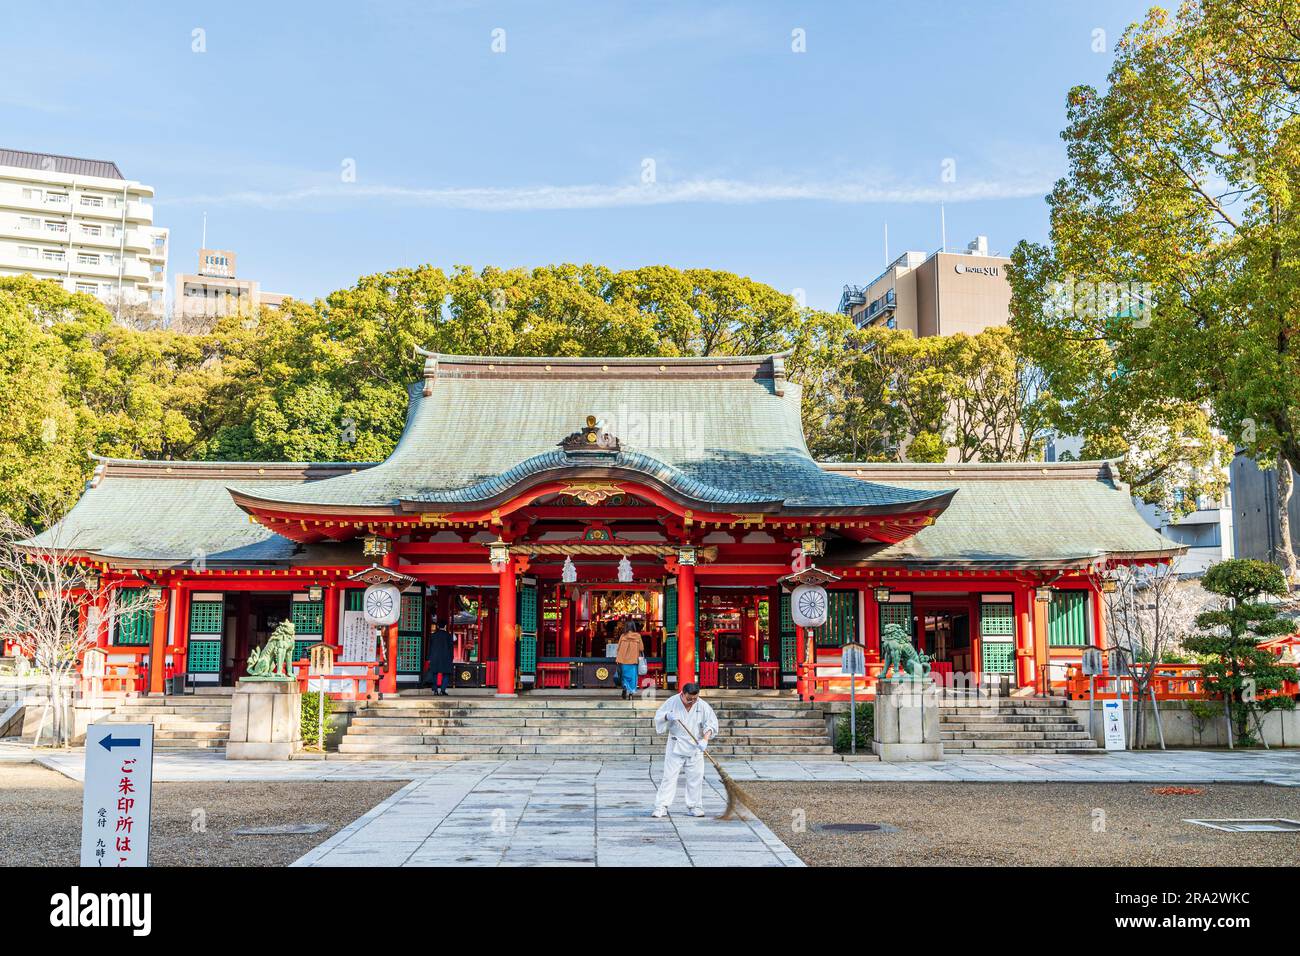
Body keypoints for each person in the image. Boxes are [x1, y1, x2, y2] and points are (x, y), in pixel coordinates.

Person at [651, 682, 718, 818]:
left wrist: (705, 739)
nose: (692, 702)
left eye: (695, 699)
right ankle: (661, 806)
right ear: (682, 694)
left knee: (696, 777)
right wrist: (667, 716)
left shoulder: (702, 705)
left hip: (695, 745)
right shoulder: (672, 702)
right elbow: (658, 716)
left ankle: (695, 806)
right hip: (676, 744)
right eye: (689, 699)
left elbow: (711, 723)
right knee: (669, 777)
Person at [614, 620, 644, 699]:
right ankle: (631, 693)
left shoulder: (623, 636)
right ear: (633, 626)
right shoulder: (637, 636)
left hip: (623, 660)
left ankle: (625, 687)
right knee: (633, 677)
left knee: (624, 676)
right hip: (633, 661)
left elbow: (618, 648)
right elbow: (641, 648)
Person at [425, 618, 454, 696]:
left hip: (434, 657)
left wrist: (429, 658)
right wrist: (451, 658)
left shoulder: (433, 635)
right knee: (446, 674)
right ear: (445, 626)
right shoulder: (448, 636)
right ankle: (443, 690)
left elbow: (429, 647)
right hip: (446, 657)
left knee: (434, 673)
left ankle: (435, 690)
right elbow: (451, 648)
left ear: (437, 626)